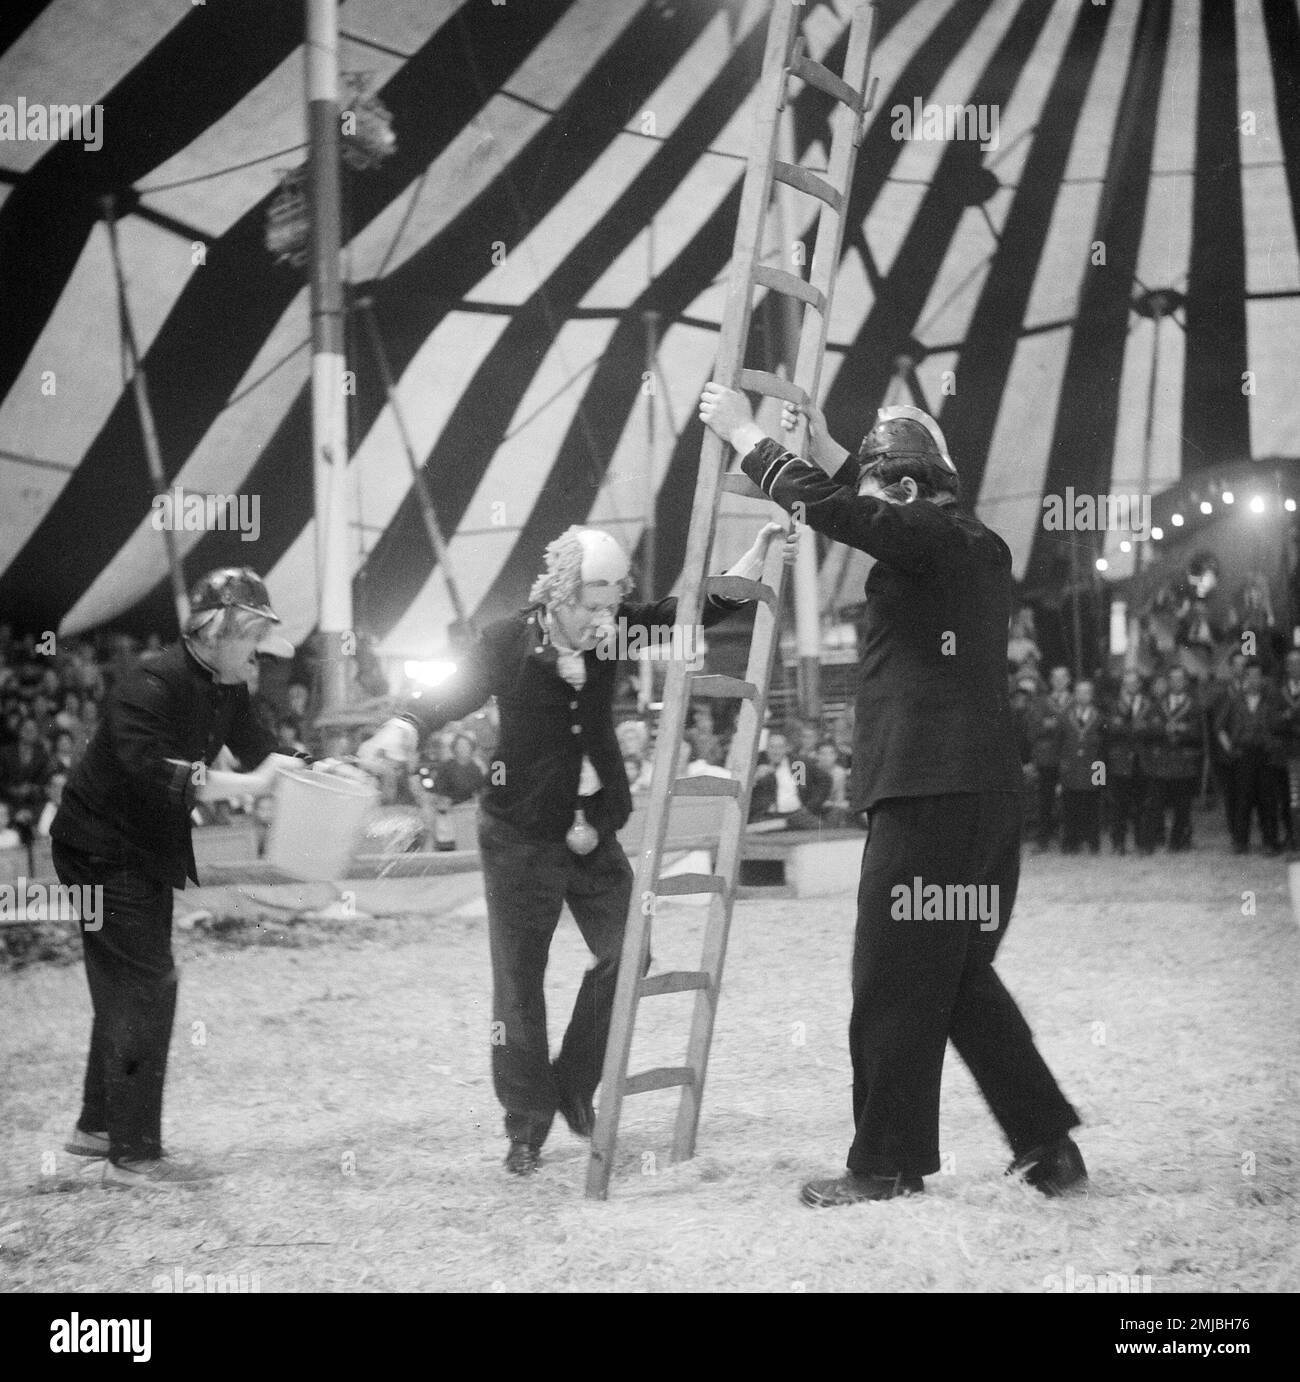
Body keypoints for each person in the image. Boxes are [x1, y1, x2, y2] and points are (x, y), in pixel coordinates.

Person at [699, 385, 1084, 1208]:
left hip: (927, 795)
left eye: (879, 485)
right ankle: (1047, 1148)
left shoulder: (925, 536)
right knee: (957, 979)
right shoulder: (971, 543)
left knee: (893, 979)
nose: (866, 501)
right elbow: (873, 506)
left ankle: (883, 1166)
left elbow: (857, 515)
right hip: (980, 801)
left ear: (906, 490)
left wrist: (746, 436)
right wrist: (834, 447)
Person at [358, 521, 796, 1176]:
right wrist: (405, 723)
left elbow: (686, 612)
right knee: (518, 984)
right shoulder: (506, 639)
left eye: (614, 604)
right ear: (559, 594)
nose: (606, 619)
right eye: (594, 605)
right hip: (518, 834)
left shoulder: (617, 628)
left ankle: (571, 1083)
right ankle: (526, 1125)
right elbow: (451, 692)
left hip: (592, 830)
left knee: (629, 953)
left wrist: (750, 561)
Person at [49, 567, 301, 1190]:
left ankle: (99, 1129)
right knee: (146, 984)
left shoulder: (228, 685)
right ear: (218, 631)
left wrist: (321, 772)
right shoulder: (149, 683)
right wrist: (249, 785)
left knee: (125, 983)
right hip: (101, 850)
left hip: (141, 849)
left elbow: (265, 753)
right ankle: (131, 1156)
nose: (258, 654)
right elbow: (152, 774)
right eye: (251, 637)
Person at [1216, 659, 1282, 855]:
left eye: (1258, 676)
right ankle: (1240, 842)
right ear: (1244, 678)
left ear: (1263, 679)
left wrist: (1273, 745)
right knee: (1242, 800)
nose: (1254, 680)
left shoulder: (1270, 702)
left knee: (1267, 800)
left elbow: (1279, 728)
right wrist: (1229, 749)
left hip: (1265, 755)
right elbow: (1219, 727)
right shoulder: (1235, 700)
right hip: (1243, 755)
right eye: (1250, 676)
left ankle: (1270, 842)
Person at [1144, 665, 1203, 852]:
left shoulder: (1194, 706)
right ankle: (1148, 844)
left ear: (1185, 682)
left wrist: (1180, 731)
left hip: (1184, 763)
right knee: (1154, 805)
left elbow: (1198, 734)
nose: (1176, 682)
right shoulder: (1157, 704)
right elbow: (1149, 729)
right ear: (1168, 682)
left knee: (1182, 807)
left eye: (1180, 679)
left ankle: (1178, 842)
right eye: (1172, 679)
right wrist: (1164, 729)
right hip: (1161, 763)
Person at [1104, 670, 1156, 855]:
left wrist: (1126, 727)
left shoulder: (1149, 704)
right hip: (1120, 761)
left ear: (1140, 684)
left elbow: (1154, 728)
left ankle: (1143, 843)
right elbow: (1110, 728)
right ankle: (1118, 843)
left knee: (1143, 804)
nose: (1130, 686)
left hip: (1142, 761)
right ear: (1122, 685)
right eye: (1126, 683)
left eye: (1134, 682)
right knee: (1119, 805)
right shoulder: (1113, 704)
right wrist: (1135, 728)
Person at [748, 728, 829, 829]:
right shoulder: (756, 763)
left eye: (780, 747)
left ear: (786, 748)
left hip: (797, 815)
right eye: (772, 747)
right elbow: (742, 790)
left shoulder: (798, 764)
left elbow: (825, 780)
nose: (776, 751)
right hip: (767, 817)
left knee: (822, 830)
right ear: (766, 748)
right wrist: (755, 777)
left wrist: (811, 806)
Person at [1058, 680, 1103, 854]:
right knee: (1070, 805)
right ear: (1074, 695)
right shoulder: (1064, 716)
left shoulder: (1100, 716)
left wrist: (1102, 775)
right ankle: (1071, 843)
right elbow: (1059, 742)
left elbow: (1104, 747)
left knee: (1093, 805)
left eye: (1087, 692)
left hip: (1095, 767)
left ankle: (1093, 843)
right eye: (1079, 692)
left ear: (1092, 695)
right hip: (1072, 767)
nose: (1083, 696)